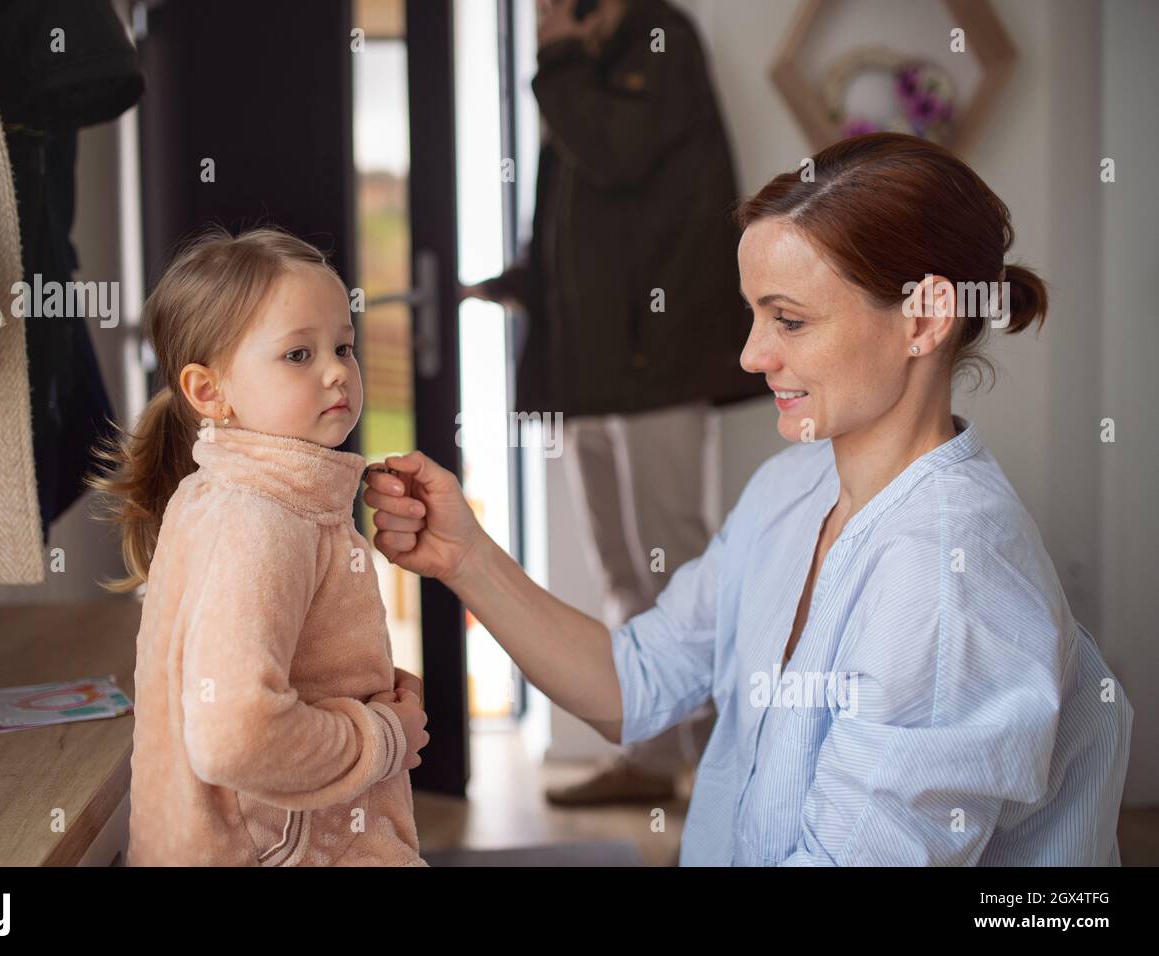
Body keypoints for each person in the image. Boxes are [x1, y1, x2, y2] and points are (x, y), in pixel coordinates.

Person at [367, 133, 1133, 865]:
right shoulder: (792, 486)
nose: (751, 355)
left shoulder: (948, 585)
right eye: (755, 313)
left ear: (925, 318)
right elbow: (634, 684)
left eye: (790, 320)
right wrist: (467, 557)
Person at [464, 0, 769, 803]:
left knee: (682, 576)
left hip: (655, 361)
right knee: (624, 573)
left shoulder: (658, 36)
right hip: (590, 371)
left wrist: (556, 56)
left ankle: (726, 781)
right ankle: (654, 760)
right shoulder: (586, 66)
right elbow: (587, 215)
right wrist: (519, 283)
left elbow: (616, 153)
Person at [88, 226, 429, 866]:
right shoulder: (263, 519)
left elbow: (292, 665)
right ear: (210, 392)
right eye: (298, 355)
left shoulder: (245, 498)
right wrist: (382, 738)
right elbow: (236, 735)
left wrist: (380, 691)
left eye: (344, 347)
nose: (338, 372)